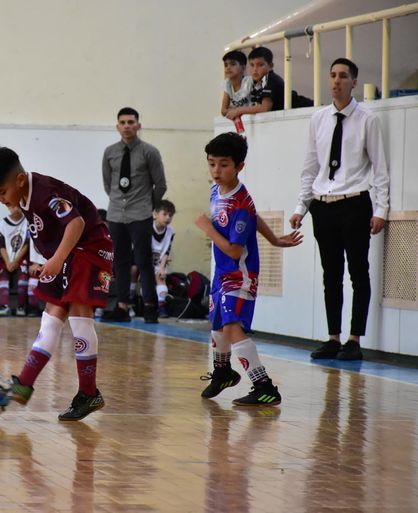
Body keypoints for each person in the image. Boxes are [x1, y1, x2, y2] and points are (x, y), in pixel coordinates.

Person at [0, 145, 113, 421]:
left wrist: (56, 259)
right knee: (50, 320)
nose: (0, 199)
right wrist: (50, 259)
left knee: (79, 317)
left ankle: (89, 393)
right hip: (66, 256)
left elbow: (74, 223)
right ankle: (25, 383)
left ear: (18, 180)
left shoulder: (45, 192)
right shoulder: (23, 196)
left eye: (2, 192)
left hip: (90, 251)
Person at [289, 58, 389, 361]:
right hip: (323, 205)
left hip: (356, 203)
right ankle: (333, 337)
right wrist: (301, 206)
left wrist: (381, 209)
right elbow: (310, 168)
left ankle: (354, 339)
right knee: (330, 274)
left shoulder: (367, 119)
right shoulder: (318, 119)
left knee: (358, 271)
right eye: (332, 75)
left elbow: (380, 168)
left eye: (343, 76)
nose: (336, 81)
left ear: (353, 83)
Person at [195, 132, 301, 406]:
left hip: (240, 274)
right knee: (217, 325)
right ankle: (223, 372)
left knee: (232, 327)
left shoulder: (240, 204)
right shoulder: (216, 190)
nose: (216, 170)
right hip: (222, 273)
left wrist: (208, 229)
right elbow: (256, 218)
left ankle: (264, 386)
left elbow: (233, 249)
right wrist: (275, 239)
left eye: (224, 164)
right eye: (212, 163)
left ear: (239, 166)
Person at [102, 107, 166, 323]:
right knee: (119, 260)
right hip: (116, 215)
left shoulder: (149, 152)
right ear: (117, 126)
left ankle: (149, 306)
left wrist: (149, 206)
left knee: (143, 260)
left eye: (131, 122)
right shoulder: (110, 152)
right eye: (123, 122)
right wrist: (117, 203)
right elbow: (108, 183)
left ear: (138, 125)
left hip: (141, 213)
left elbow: (161, 184)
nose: (127, 126)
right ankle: (122, 306)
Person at [225, 47, 284, 121]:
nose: (255, 69)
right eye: (252, 65)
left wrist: (238, 110)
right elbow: (257, 107)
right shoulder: (257, 83)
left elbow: (264, 108)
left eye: (260, 65)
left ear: (271, 66)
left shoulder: (271, 79)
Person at [0, 204, 30, 316]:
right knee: (2, 278)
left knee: (23, 278)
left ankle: (21, 306)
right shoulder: (1, 224)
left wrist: (16, 261)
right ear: (9, 206)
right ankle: (4, 306)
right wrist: (8, 262)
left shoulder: (28, 222)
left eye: (19, 206)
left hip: (21, 258)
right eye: (14, 206)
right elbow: (1, 246)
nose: (16, 208)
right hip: (6, 258)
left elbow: (26, 244)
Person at [151, 200, 175, 317]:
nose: (168, 218)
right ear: (155, 214)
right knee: (134, 271)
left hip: (158, 262)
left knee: (160, 276)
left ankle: (162, 306)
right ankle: (131, 302)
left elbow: (166, 251)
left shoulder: (171, 231)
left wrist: (161, 268)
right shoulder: (147, 227)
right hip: (145, 261)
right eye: (164, 214)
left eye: (170, 215)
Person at [220, 50, 253, 132]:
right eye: (226, 65)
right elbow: (223, 110)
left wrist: (237, 110)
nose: (228, 67)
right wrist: (235, 111)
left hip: (253, 121)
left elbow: (256, 107)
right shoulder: (227, 84)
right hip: (243, 123)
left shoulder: (250, 82)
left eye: (233, 64)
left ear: (243, 68)